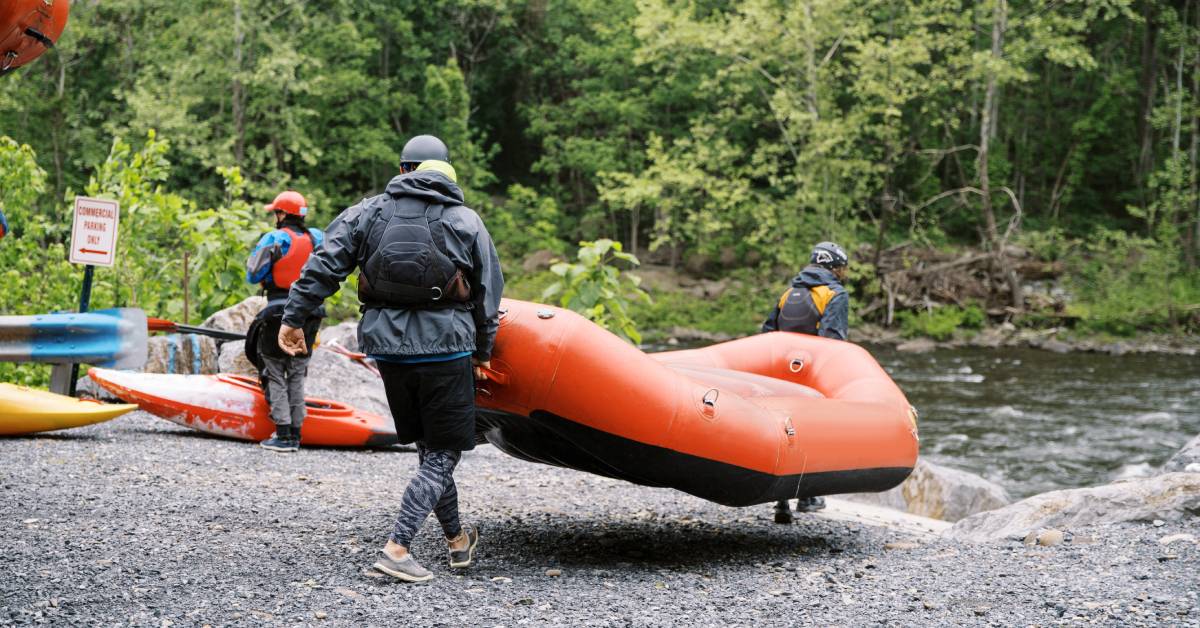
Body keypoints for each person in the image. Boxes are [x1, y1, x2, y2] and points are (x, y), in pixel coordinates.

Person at [277, 135, 503, 583]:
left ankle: (459, 542)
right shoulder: (465, 219)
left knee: (428, 450)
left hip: (389, 353)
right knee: (443, 453)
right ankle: (397, 548)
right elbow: (486, 294)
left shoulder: (367, 212)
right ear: (447, 175)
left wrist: (293, 318)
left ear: (404, 170)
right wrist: (483, 350)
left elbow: (324, 265)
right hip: (447, 349)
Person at [761, 240, 850, 523]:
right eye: (843, 267)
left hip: (781, 374)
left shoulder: (789, 293)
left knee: (786, 433)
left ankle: (781, 503)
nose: (845, 272)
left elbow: (767, 334)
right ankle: (808, 497)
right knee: (814, 433)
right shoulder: (834, 293)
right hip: (810, 376)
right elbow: (833, 340)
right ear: (833, 267)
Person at [245, 190, 325, 452]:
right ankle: (297, 434)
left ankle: (283, 434)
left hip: (279, 310)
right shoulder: (317, 237)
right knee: (298, 371)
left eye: (276, 212)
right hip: (312, 312)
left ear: (282, 214)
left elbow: (254, 275)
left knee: (276, 370)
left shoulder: (275, 238)